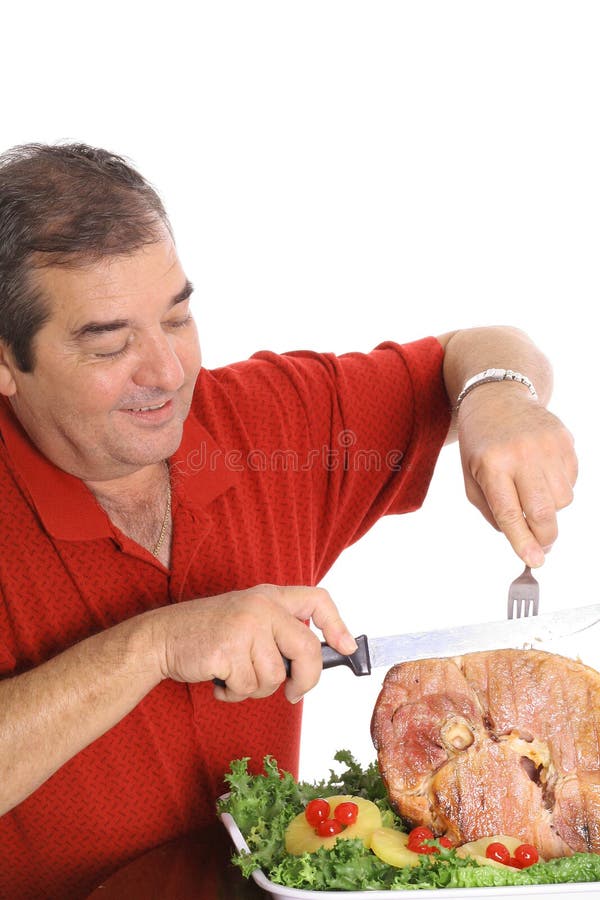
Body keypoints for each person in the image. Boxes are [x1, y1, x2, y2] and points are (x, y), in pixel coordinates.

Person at [0, 143, 577, 900]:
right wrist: (155, 645)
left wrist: (499, 397)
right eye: (110, 344)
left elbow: (474, 351)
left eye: (177, 317)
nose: (168, 374)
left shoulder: (270, 424)